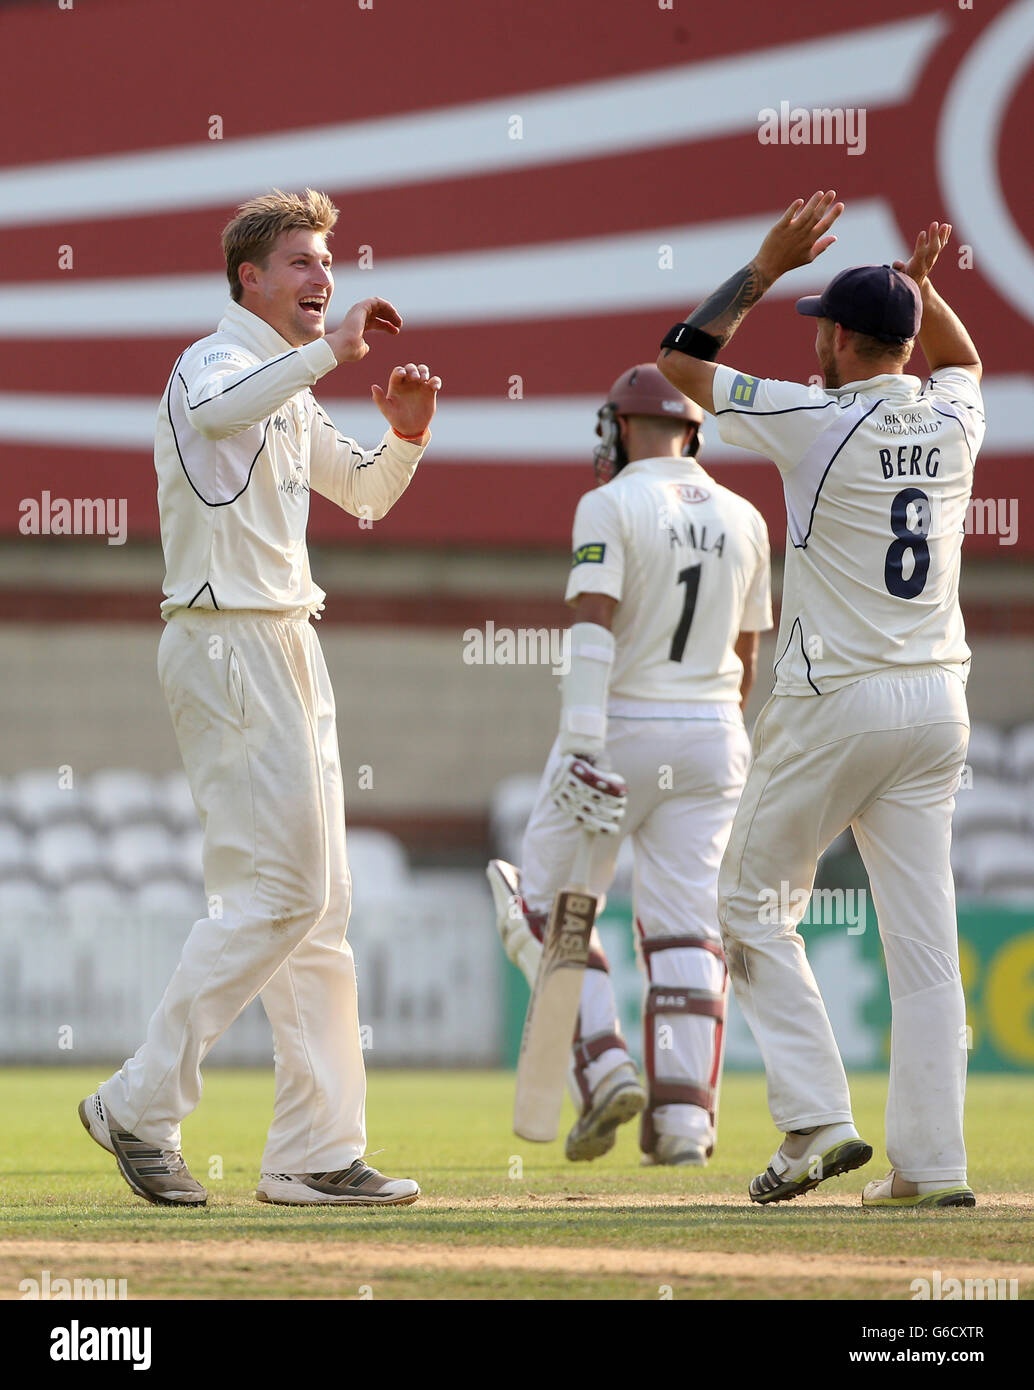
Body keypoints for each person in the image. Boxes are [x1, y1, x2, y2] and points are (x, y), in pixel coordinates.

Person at [79, 188, 441, 1208]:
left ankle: (313, 1153)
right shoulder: (214, 361)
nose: (322, 278)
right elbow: (219, 410)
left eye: (325, 260)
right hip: (224, 640)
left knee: (322, 907)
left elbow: (361, 494)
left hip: (288, 636)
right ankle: (138, 1103)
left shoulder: (292, 385)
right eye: (300, 262)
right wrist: (335, 355)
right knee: (277, 895)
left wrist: (404, 440)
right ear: (248, 277)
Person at [657, 192, 983, 1208]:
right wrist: (923, 297)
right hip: (935, 704)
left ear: (843, 340)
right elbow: (964, 361)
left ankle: (812, 1120)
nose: (815, 353)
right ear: (906, 342)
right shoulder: (955, 419)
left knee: (745, 904)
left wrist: (759, 269)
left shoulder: (814, 419)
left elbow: (676, 363)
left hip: (832, 699)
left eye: (823, 337)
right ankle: (930, 1167)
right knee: (925, 950)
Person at [489, 364, 772, 1165]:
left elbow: (593, 624)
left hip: (621, 726)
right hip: (717, 731)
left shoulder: (610, 503)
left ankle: (605, 1063)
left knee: (543, 905)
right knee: (685, 927)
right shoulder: (746, 516)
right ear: (694, 431)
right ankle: (685, 1121)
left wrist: (582, 739)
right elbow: (748, 655)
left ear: (620, 429)